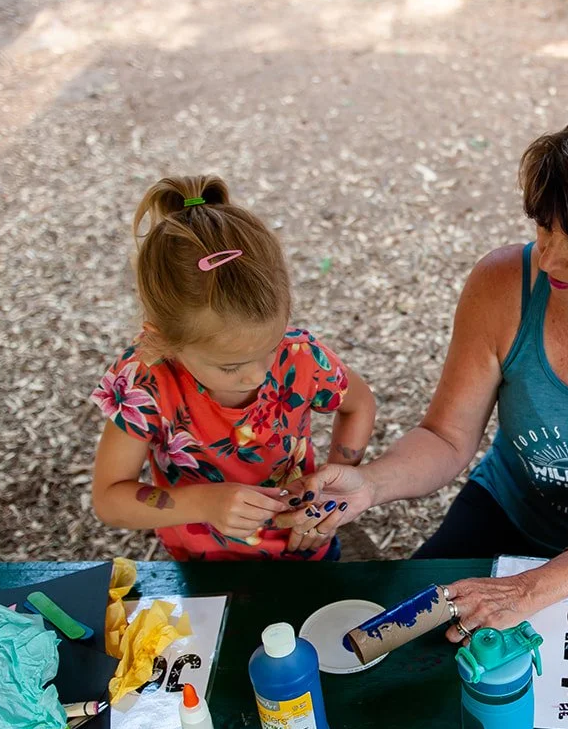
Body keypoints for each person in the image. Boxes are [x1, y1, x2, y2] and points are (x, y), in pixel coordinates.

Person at [275, 98, 568, 635]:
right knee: (403, 644)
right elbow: (445, 435)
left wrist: (531, 589)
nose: (547, 258)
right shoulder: (504, 283)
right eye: (544, 228)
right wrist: (369, 484)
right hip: (516, 509)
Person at [90, 174, 375, 561]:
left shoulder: (302, 356)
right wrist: (204, 503)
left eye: (271, 349)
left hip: (304, 549)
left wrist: (329, 497)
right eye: (231, 367)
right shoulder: (146, 382)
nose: (258, 376)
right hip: (203, 568)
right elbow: (110, 498)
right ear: (162, 340)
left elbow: (358, 404)